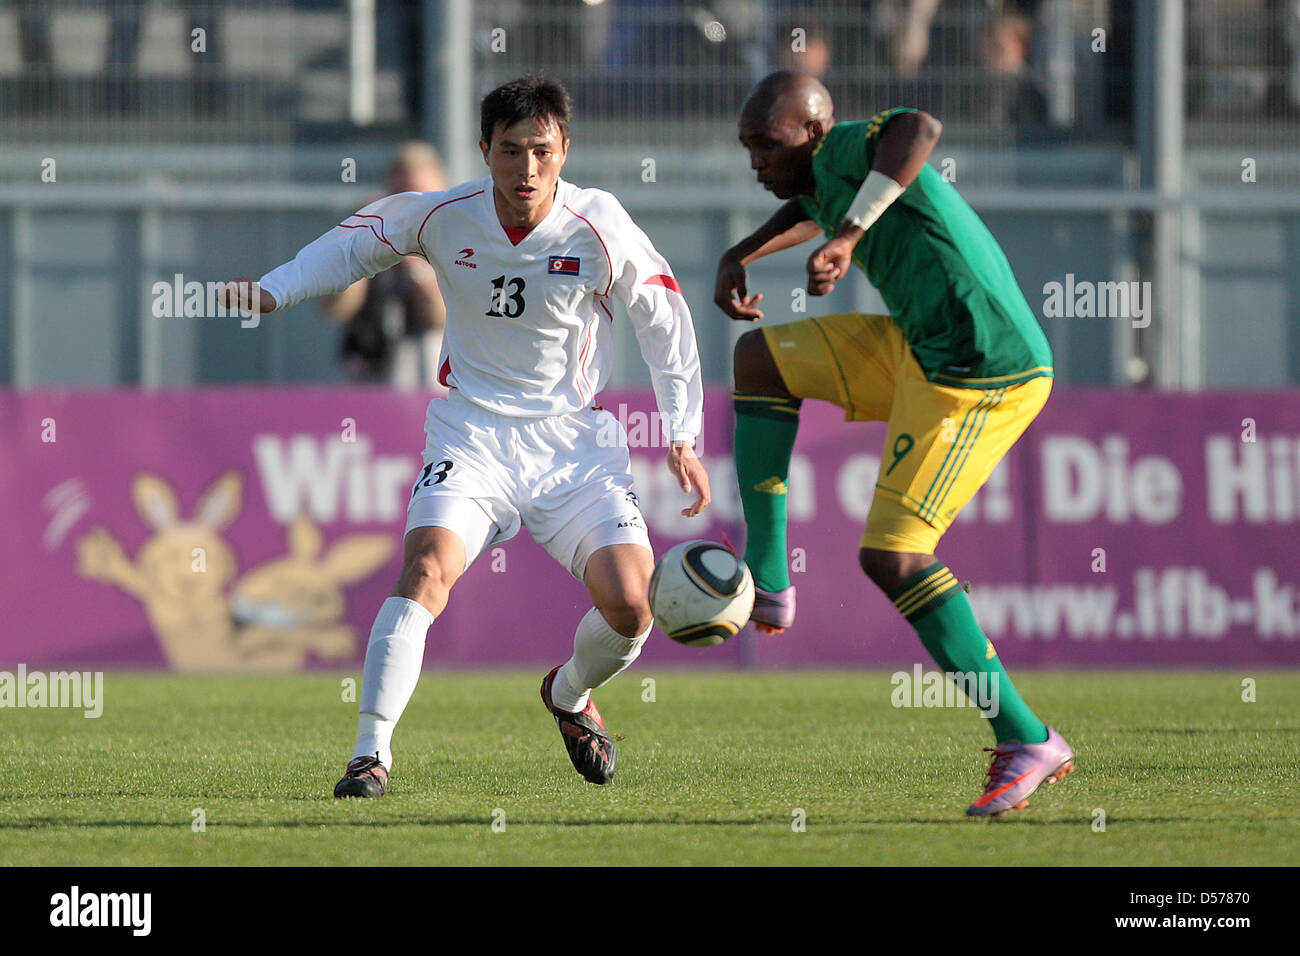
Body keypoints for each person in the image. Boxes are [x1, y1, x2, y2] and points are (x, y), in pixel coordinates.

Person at [220, 75, 711, 796]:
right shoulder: (446, 215)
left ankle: (569, 693)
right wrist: (275, 288)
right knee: (425, 572)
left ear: (564, 150)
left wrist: (682, 432)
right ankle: (370, 755)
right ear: (484, 150)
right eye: (511, 151)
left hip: (574, 446)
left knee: (634, 605)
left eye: (542, 151)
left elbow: (661, 315)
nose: (527, 169)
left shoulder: (599, 223)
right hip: (472, 435)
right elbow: (359, 240)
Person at [714, 70, 1073, 817]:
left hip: (984, 368)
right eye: (747, 146)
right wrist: (740, 253)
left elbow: (920, 127)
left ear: (814, 132)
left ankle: (1028, 737)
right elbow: (809, 206)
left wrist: (849, 237)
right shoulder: (821, 178)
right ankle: (770, 578)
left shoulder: (850, 147)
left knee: (894, 555)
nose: (755, 162)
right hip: (919, 348)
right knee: (761, 360)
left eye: (766, 144)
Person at [319, 142, 450, 391]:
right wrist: (361, 248)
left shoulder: (454, 240)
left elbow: (440, 317)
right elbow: (334, 311)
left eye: (422, 196)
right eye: (403, 195)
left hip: (428, 378)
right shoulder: (368, 232)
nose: (412, 207)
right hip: (368, 376)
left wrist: (411, 259)